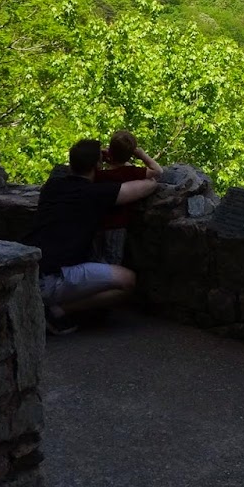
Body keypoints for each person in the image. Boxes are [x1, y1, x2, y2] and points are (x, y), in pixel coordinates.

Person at [23, 137, 160, 335]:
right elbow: (151, 183)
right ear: (98, 163)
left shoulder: (53, 187)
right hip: (51, 279)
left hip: (31, 271)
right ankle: (56, 312)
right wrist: (127, 155)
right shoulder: (96, 193)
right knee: (127, 281)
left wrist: (95, 159)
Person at [90, 130, 161, 265]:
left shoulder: (100, 175)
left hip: (97, 225)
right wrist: (142, 155)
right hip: (117, 226)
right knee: (112, 262)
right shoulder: (130, 173)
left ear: (110, 151)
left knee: (95, 260)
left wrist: (106, 154)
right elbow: (158, 171)